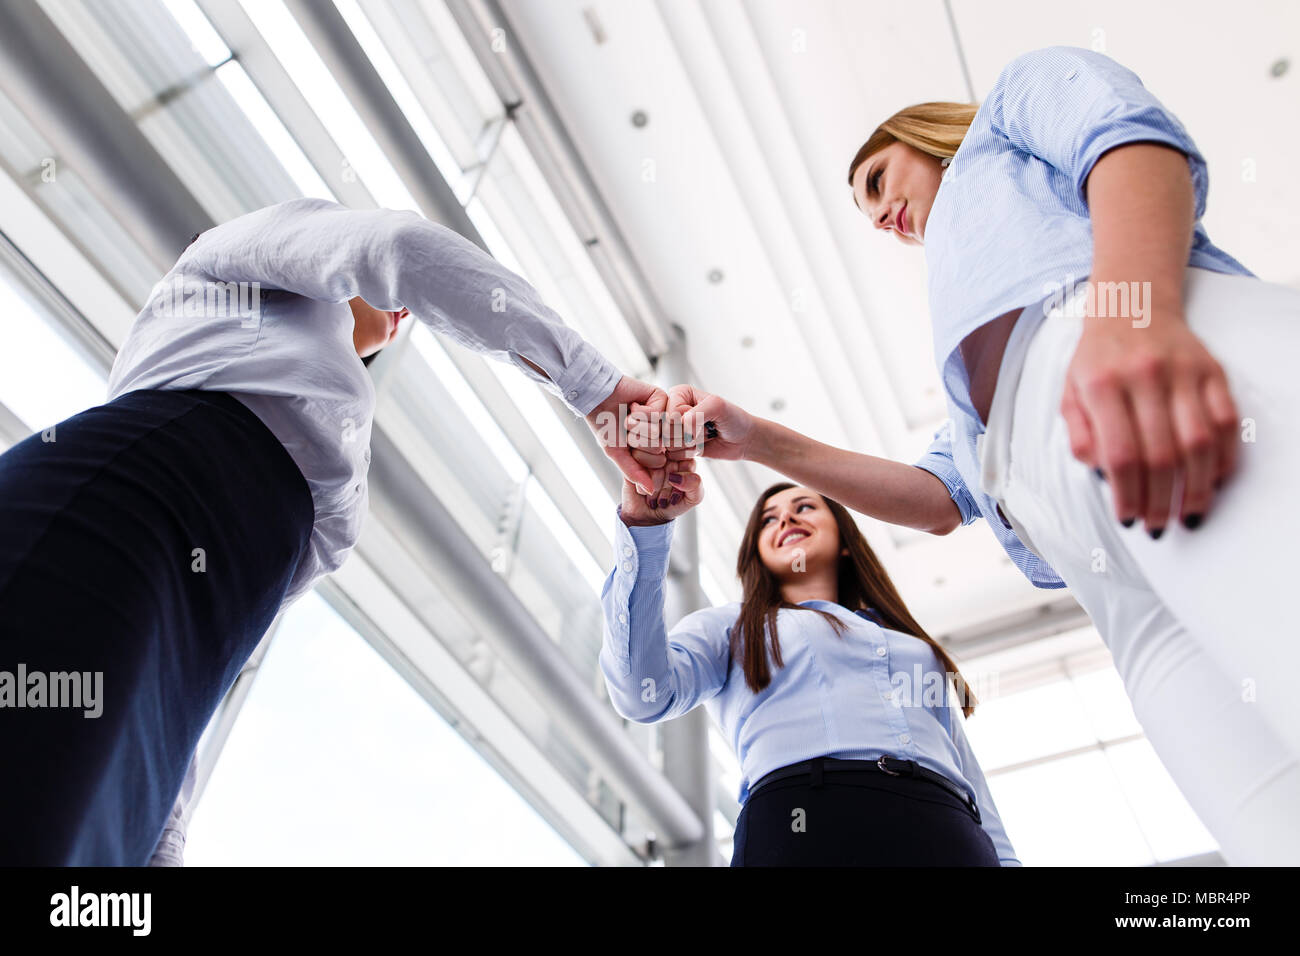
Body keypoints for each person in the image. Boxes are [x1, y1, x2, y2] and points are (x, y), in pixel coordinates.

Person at [655, 46, 1300, 864]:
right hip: (1099, 565)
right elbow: (934, 499)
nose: (882, 216)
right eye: (867, 212)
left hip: (1133, 368)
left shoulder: (1009, 111)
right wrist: (758, 440)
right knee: (1264, 814)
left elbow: (1129, 143)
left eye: (880, 183)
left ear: (926, 138)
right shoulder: (968, 396)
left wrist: (1134, 320)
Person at [0, 197, 669, 865]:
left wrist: (160, 842)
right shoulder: (221, 268)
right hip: (130, 510)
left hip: (193, 624)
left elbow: (198, 686)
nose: (402, 318)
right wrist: (597, 388)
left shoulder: (335, 442)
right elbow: (397, 248)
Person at [601, 459, 1020, 866]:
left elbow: (967, 773)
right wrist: (645, 528)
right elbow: (643, 696)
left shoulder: (910, 645)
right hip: (804, 821)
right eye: (769, 519)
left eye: (804, 507)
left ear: (843, 540)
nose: (785, 521)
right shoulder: (733, 625)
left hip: (947, 825)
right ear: (757, 553)